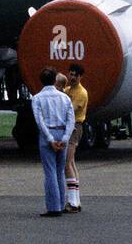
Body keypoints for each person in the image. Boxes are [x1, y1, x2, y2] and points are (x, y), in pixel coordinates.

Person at [32, 67, 75, 218]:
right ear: (55, 80)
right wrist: (64, 139)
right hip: (62, 132)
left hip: (47, 133)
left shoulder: (37, 98)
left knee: (50, 171)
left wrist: (50, 139)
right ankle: (62, 204)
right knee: (60, 170)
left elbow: (39, 121)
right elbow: (71, 120)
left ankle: (53, 207)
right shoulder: (65, 98)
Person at [64, 63, 89, 213]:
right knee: (71, 162)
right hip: (69, 126)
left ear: (80, 77)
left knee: (67, 163)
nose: (72, 77)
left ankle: (73, 202)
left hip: (75, 127)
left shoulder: (81, 93)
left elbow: (69, 110)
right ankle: (75, 200)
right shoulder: (68, 90)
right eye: (71, 74)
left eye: (75, 75)